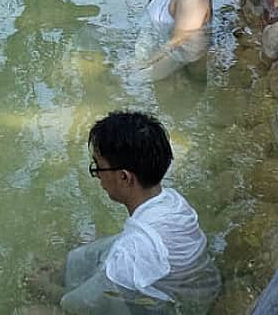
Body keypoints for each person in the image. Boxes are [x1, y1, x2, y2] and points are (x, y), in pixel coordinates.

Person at [52, 111, 221, 314]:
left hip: (173, 308)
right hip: (201, 289)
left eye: (98, 167)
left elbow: (79, 306)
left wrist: (42, 287)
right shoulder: (173, 202)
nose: (97, 176)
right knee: (88, 251)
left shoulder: (131, 254)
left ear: (124, 177)